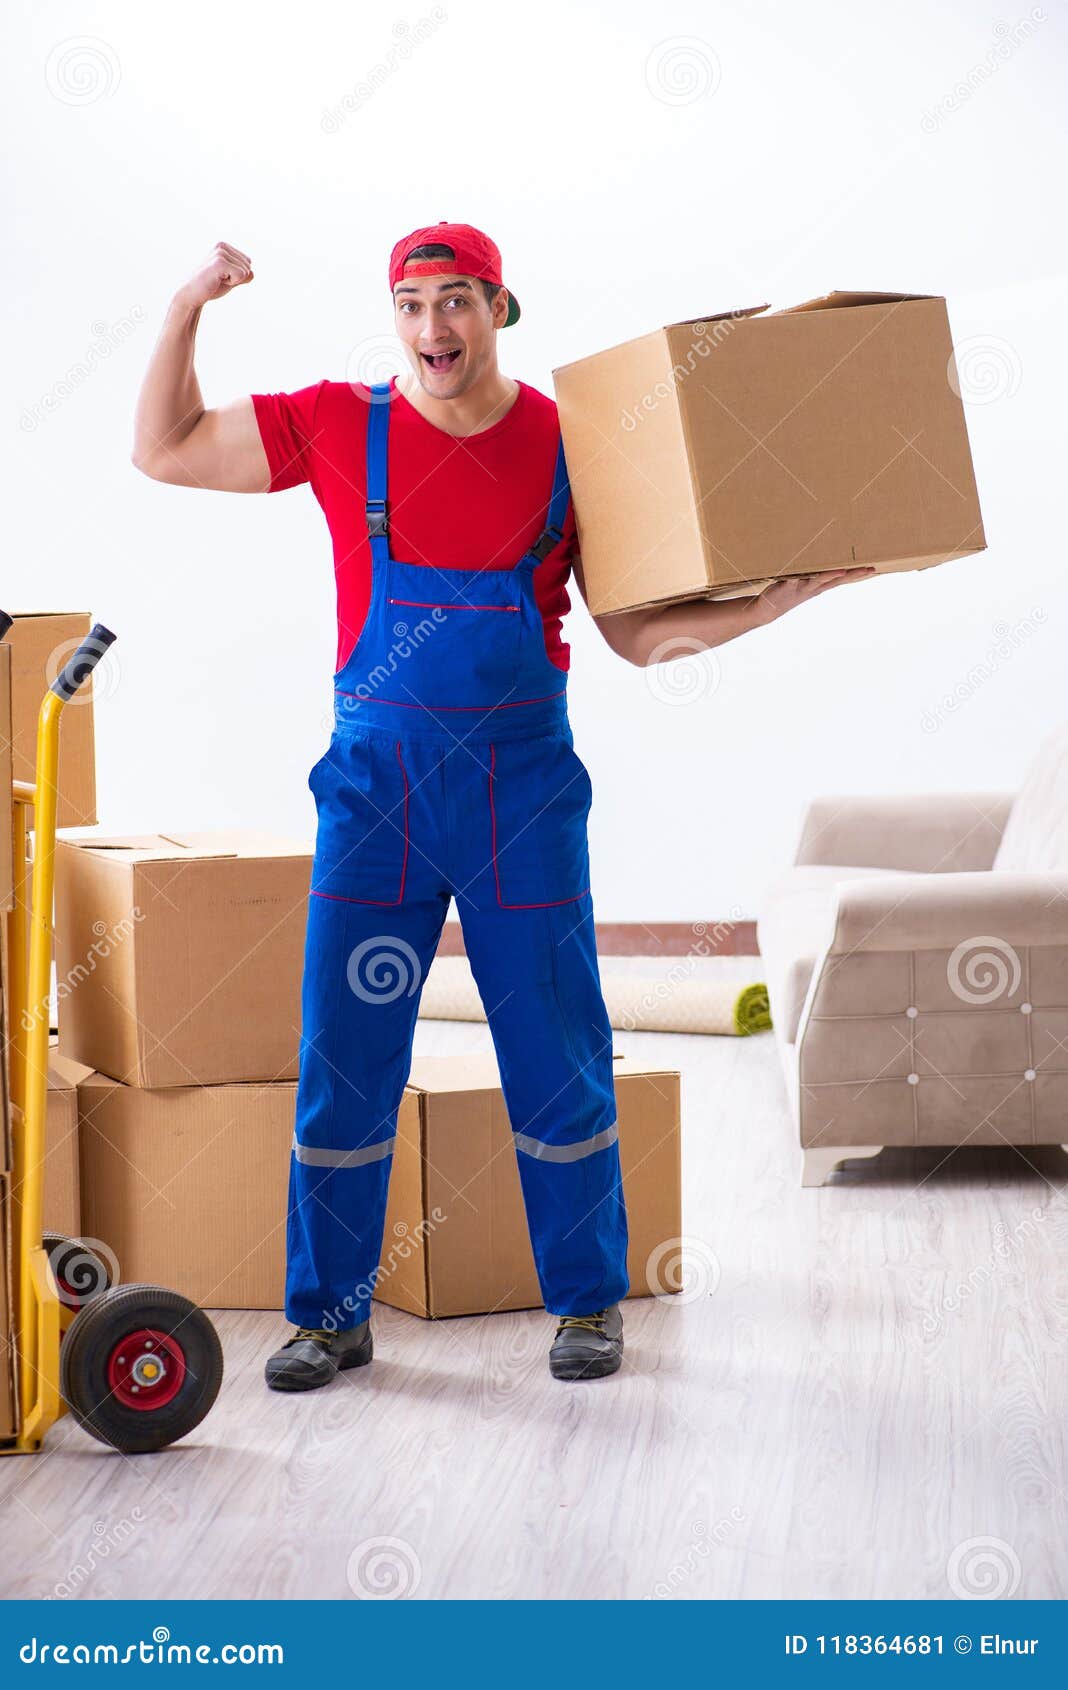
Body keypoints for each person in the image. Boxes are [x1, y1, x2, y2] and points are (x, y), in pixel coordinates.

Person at [131, 222, 874, 1389]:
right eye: (416, 302)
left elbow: (628, 634)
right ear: (397, 314)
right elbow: (165, 447)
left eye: (460, 301)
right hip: (375, 789)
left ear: (500, 308)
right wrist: (188, 306)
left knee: (555, 1039)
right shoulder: (336, 422)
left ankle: (586, 1302)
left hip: (521, 790)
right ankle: (328, 1314)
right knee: (346, 1045)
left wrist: (767, 608)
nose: (436, 327)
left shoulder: (569, 441)